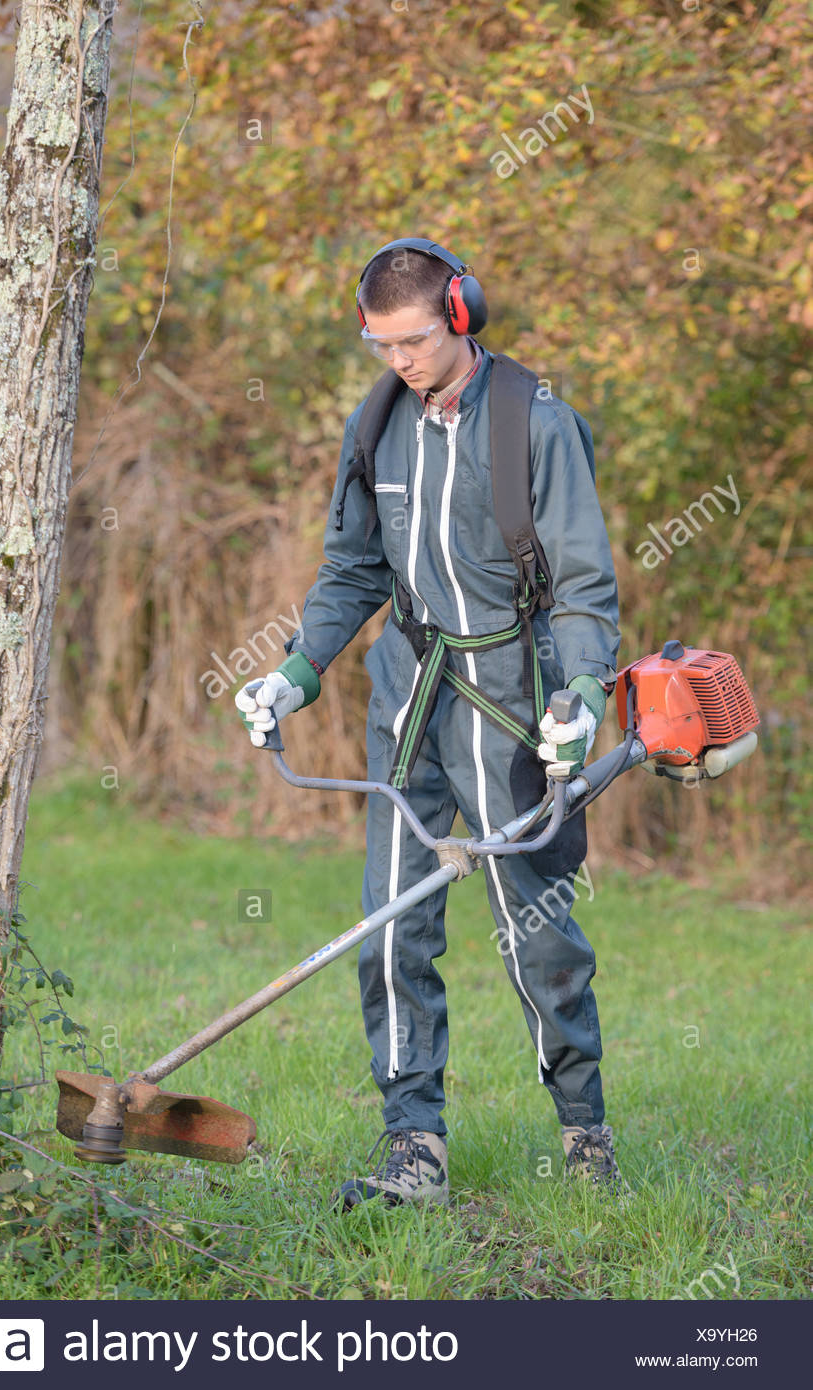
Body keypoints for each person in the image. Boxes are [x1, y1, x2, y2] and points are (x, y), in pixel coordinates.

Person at [236, 239, 623, 1208]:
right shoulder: (377, 427)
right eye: (380, 345)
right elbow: (353, 570)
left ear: (462, 311)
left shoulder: (537, 426)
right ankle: (415, 1143)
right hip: (409, 698)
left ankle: (584, 1129)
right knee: (392, 924)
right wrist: (296, 671)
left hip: (509, 700)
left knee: (536, 934)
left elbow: (583, 590)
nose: (400, 362)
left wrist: (580, 699)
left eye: (412, 340)